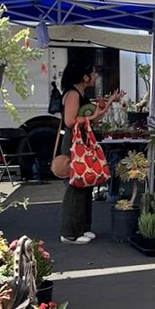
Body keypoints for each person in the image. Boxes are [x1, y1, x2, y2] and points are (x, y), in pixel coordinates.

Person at [59, 58, 123, 244]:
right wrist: (93, 116)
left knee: (86, 183)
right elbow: (70, 121)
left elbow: (93, 117)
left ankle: (82, 227)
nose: (96, 76)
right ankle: (70, 232)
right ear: (85, 76)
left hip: (82, 141)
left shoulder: (80, 93)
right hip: (74, 142)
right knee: (76, 185)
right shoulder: (73, 94)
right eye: (93, 73)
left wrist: (111, 101)